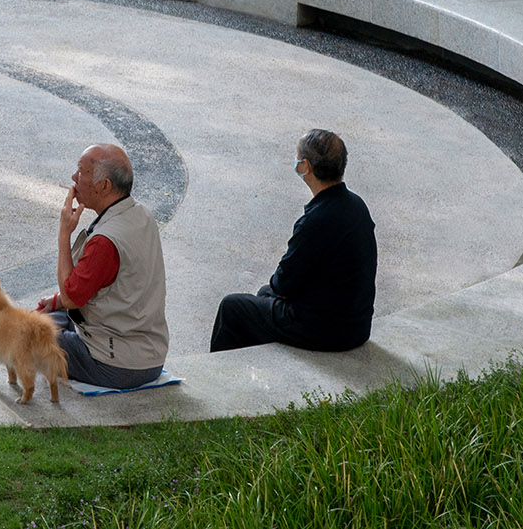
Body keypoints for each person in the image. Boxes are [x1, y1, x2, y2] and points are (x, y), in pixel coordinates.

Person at [210, 129, 377, 353]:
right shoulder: (356, 205)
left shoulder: (316, 221)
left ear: (305, 166)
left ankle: (221, 371)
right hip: (357, 325)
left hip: (330, 331)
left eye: (298, 159)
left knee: (233, 307)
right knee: (264, 295)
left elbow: (283, 284)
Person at [34, 143, 169, 389]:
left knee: (27, 333)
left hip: (114, 365)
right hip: (149, 355)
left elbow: (72, 297)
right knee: (50, 315)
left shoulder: (105, 241)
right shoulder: (142, 215)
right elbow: (106, 287)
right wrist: (57, 301)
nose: (74, 177)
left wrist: (64, 233)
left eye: (81, 172)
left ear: (104, 186)